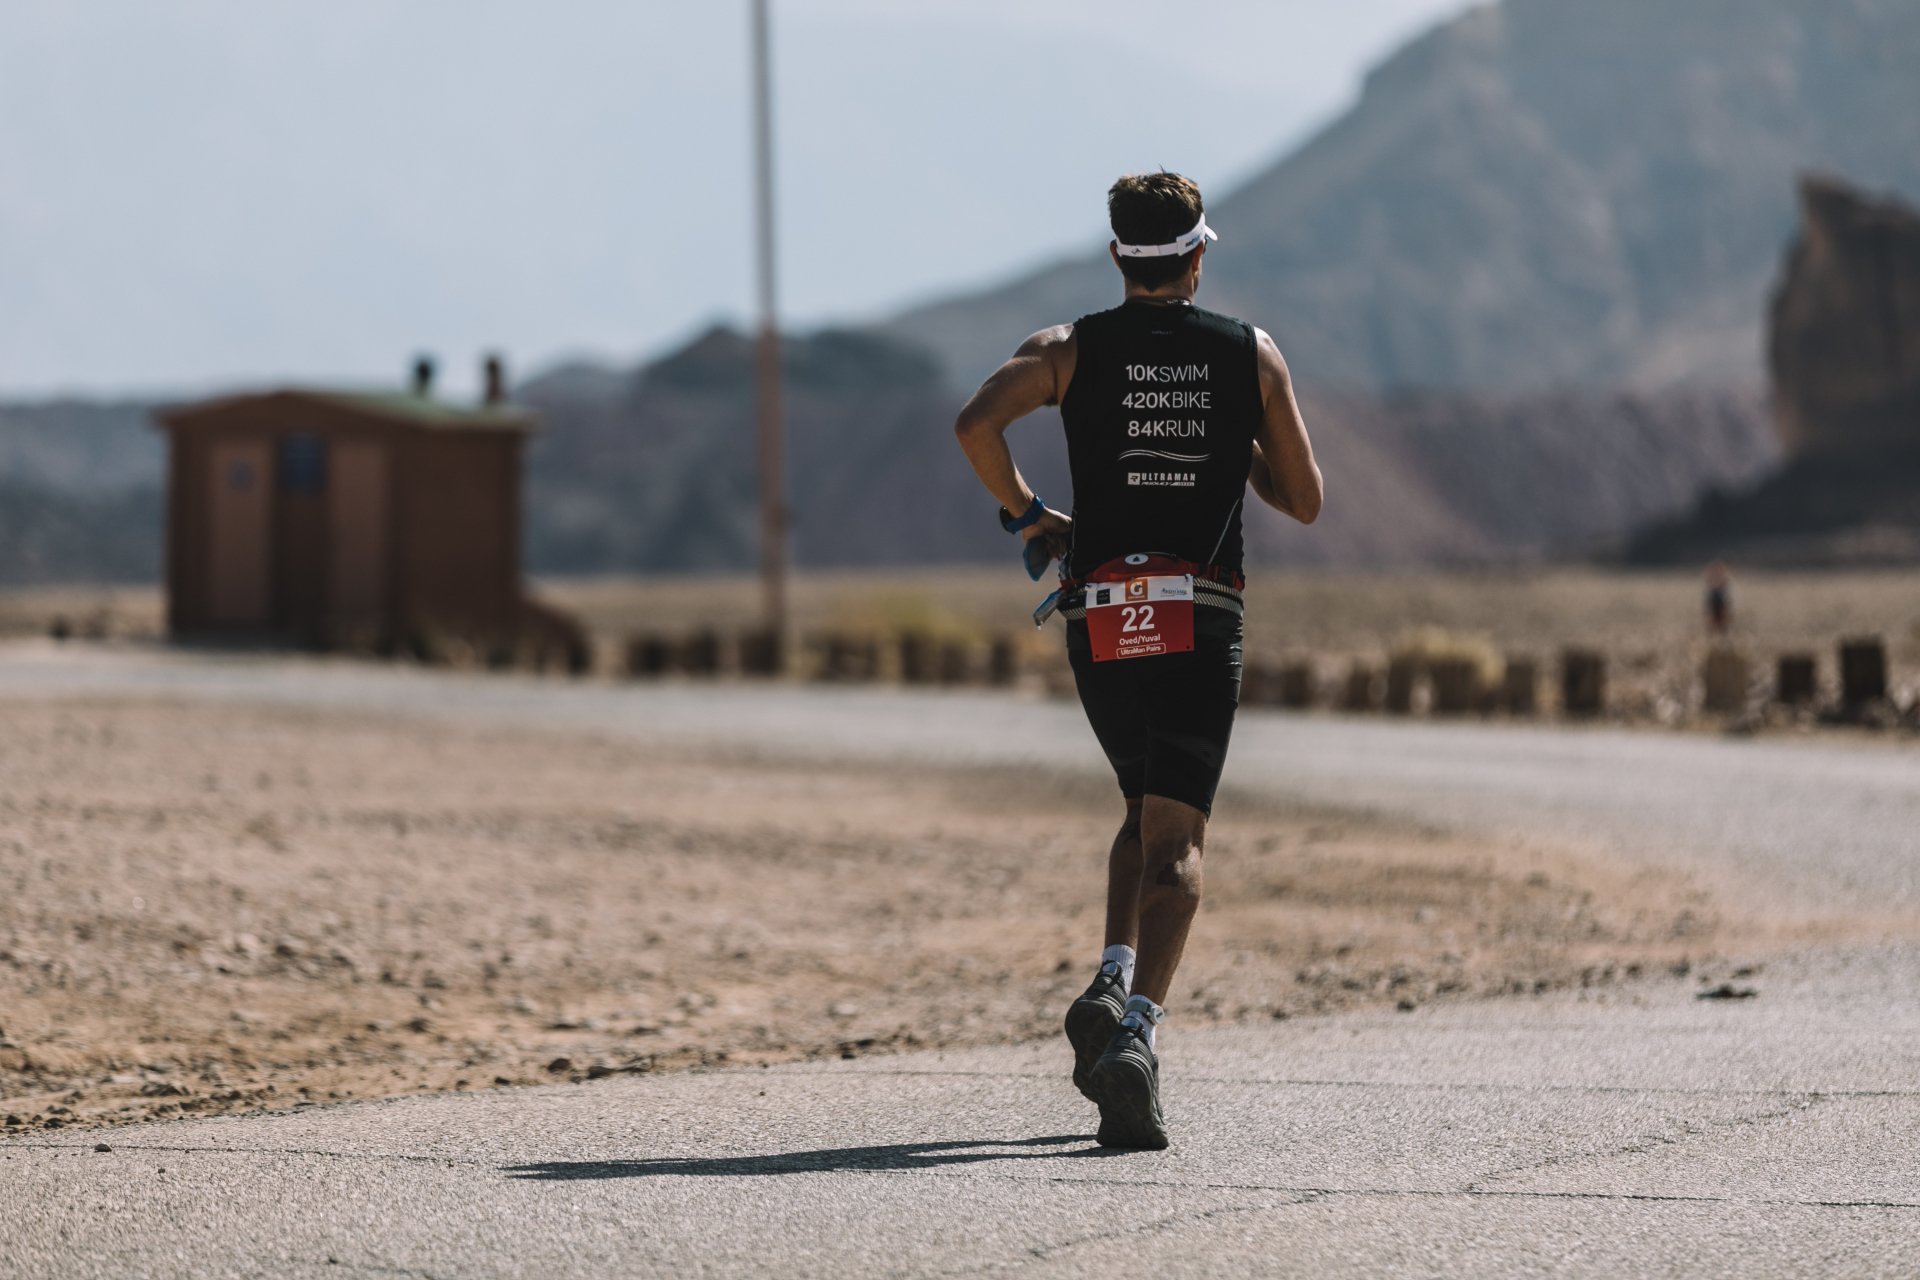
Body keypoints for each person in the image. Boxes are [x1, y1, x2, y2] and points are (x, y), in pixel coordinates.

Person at [952, 171, 1323, 1149]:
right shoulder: (1253, 355)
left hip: (1106, 615)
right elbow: (1305, 496)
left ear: (1119, 257)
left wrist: (1032, 515)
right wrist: (1229, 435)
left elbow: (974, 424)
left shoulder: (1068, 349)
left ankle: (1114, 976)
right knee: (1182, 844)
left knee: (1141, 807)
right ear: (1199, 256)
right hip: (1199, 613)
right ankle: (1140, 1038)